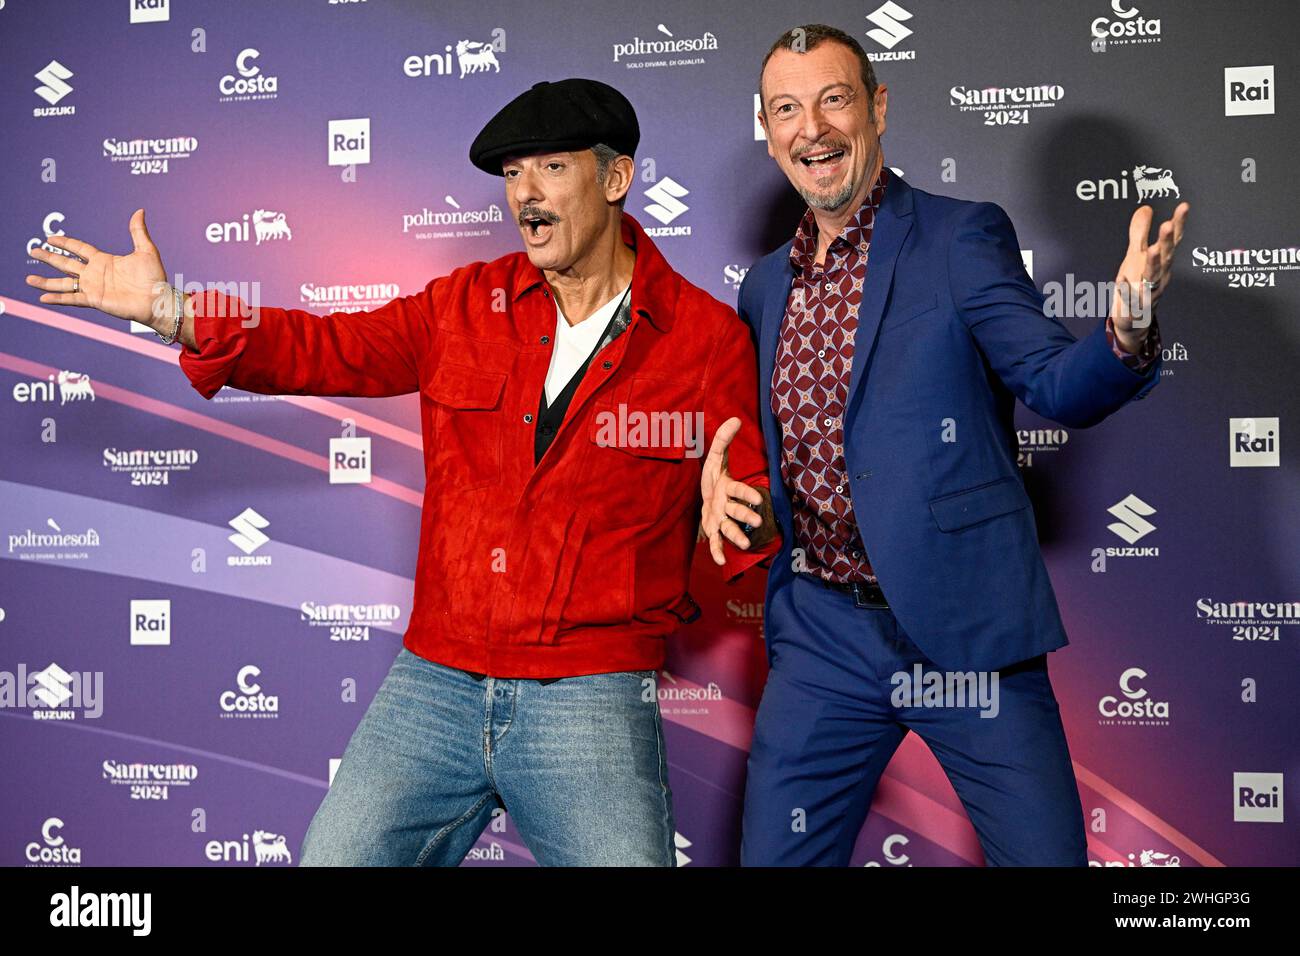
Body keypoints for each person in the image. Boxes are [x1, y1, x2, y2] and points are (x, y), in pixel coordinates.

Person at [24, 77, 779, 867]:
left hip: (588, 693)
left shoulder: (704, 340)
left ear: (616, 178)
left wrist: (745, 511)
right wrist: (171, 312)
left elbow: (750, 503)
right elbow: (322, 346)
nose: (526, 194)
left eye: (551, 169)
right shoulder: (461, 306)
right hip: (437, 681)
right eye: (513, 175)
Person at [736, 24, 1190, 865]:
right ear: (769, 133)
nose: (813, 129)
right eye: (787, 110)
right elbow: (799, 454)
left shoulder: (959, 237)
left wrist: (1126, 329)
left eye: (834, 99)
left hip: (963, 632)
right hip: (823, 638)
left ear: (877, 106)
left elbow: (1055, 383)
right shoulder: (766, 287)